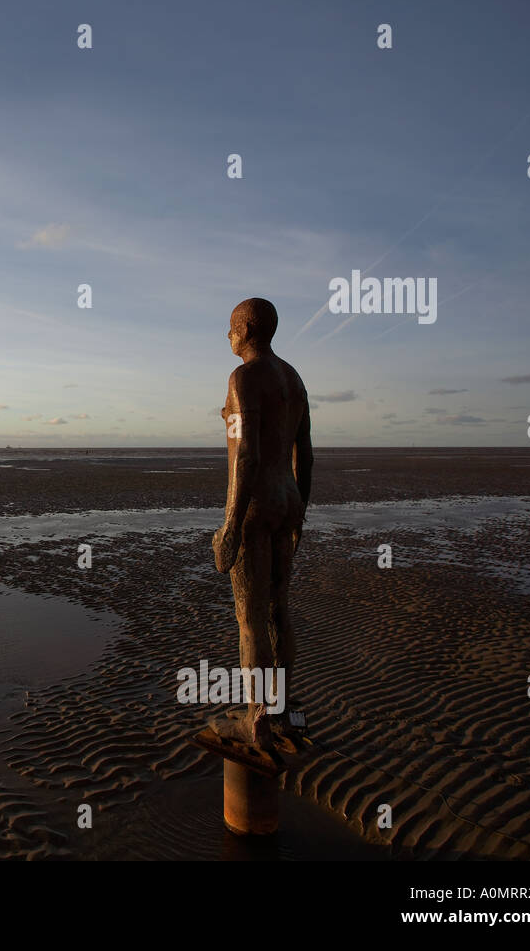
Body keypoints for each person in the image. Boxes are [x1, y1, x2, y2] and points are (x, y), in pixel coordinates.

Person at [210, 298, 313, 749]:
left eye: (231, 329)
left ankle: (257, 721)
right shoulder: (292, 378)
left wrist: (231, 525)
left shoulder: (243, 378)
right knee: (280, 610)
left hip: (256, 506)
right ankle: (284, 711)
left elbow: (245, 456)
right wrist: (300, 511)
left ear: (247, 329)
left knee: (250, 618)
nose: (228, 337)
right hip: (287, 498)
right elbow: (304, 454)